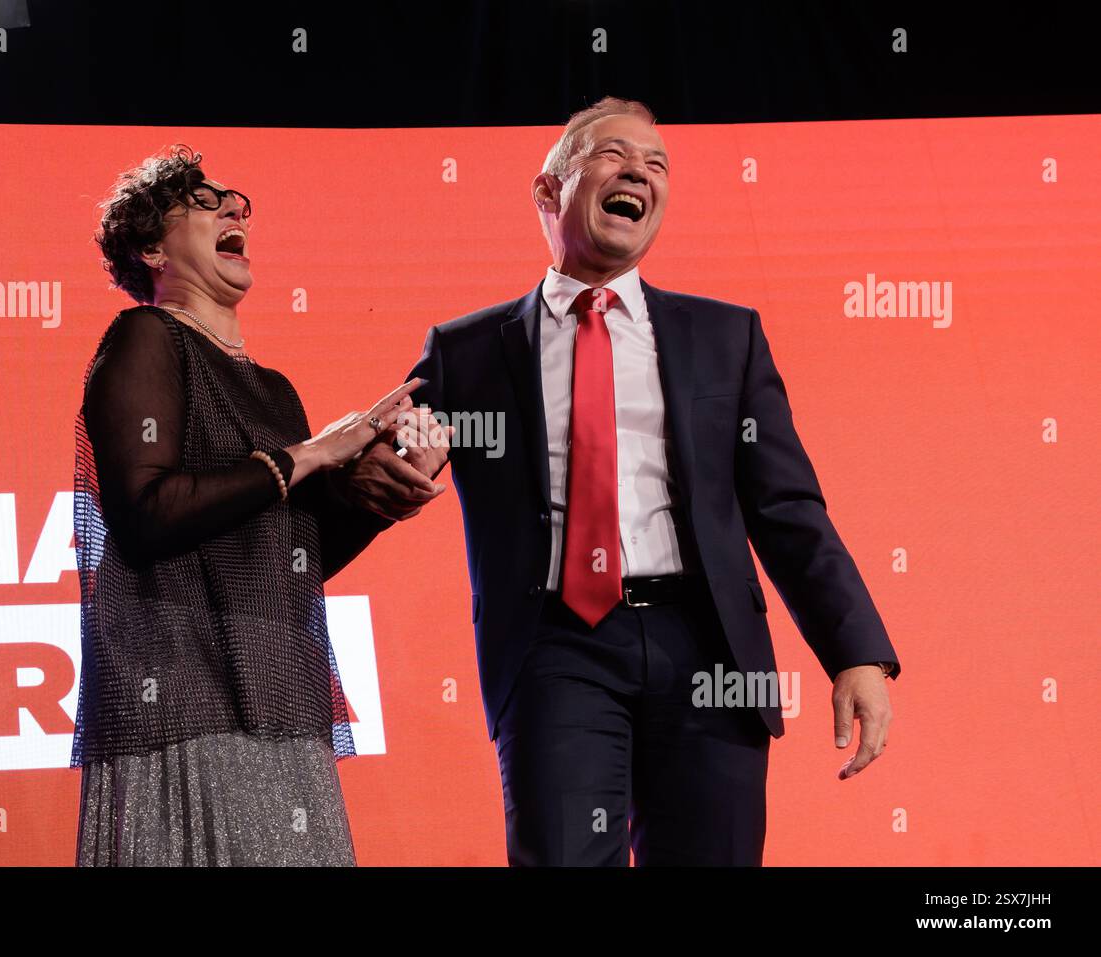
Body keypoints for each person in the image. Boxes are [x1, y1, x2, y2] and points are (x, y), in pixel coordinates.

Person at [350, 97, 900, 865]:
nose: (639, 171)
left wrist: (856, 653)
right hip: (556, 648)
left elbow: (787, 508)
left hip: (708, 646)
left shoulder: (725, 337)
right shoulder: (467, 351)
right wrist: (402, 456)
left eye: (657, 164)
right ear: (549, 192)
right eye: (612, 155)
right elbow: (408, 444)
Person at [71, 145, 439, 866]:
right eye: (207, 203)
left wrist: (385, 493)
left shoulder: (275, 390)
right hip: (178, 702)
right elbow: (147, 514)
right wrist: (309, 454)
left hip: (280, 700)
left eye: (238, 202)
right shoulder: (145, 337)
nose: (236, 209)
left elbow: (287, 562)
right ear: (152, 248)